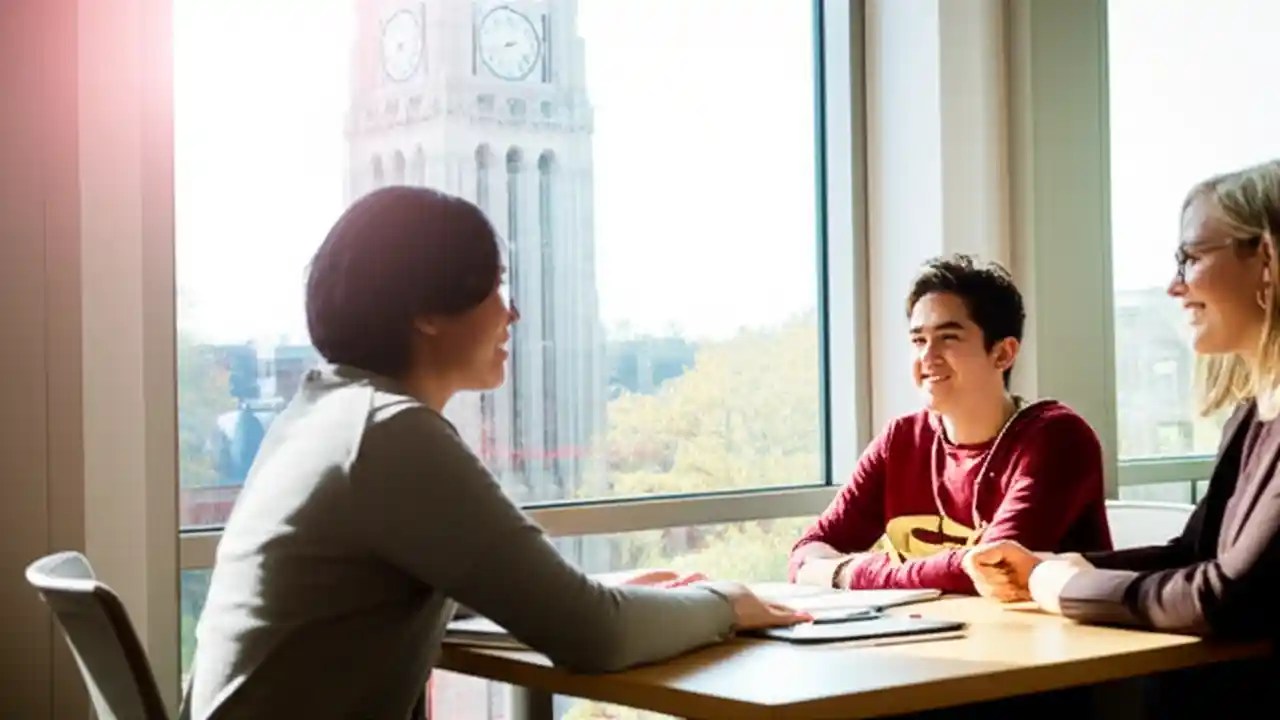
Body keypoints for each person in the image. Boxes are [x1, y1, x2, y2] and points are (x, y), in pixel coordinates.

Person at [183, 187, 807, 719]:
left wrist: (594, 595)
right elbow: (594, 635)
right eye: (495, 287)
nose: (512, 313)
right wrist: (725, 605)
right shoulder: (388, 434)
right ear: (426, 310)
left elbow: (500, 597)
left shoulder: (320, 416)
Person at [964, 160, 1280, 713]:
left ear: (1268, 258)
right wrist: (1056, 566)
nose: (1174, 285)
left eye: (1192, 257)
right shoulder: (1252, 417)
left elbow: (1224, 598)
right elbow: (1193, 553)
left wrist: (1063, 589)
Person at [790, 254, 1112, 593]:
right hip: (921, 639)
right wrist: (850, 571)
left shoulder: (1057, 439)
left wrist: (848, 572)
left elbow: (990, 570)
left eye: (948, 338)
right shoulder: (900, 440)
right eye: (918, 340)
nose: (927, 357)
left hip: (1044, 642)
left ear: (1003, 354)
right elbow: (807, 554)